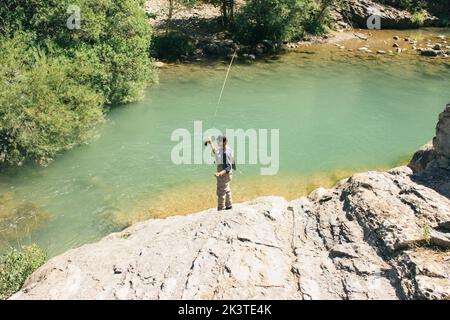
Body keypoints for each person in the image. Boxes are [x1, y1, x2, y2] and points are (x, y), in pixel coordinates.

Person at [206, 135, 233, 211]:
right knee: (226, 189)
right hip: (227, 175)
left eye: (219, 142)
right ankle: (229, 205)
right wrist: (210, 143)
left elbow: (228, 167)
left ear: (224, 142)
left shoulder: (226, 153)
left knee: (221, 192)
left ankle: (221, 209)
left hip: (224, 174)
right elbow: (216, 152)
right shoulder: (223, 149)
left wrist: (219, 173)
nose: (217, 143)